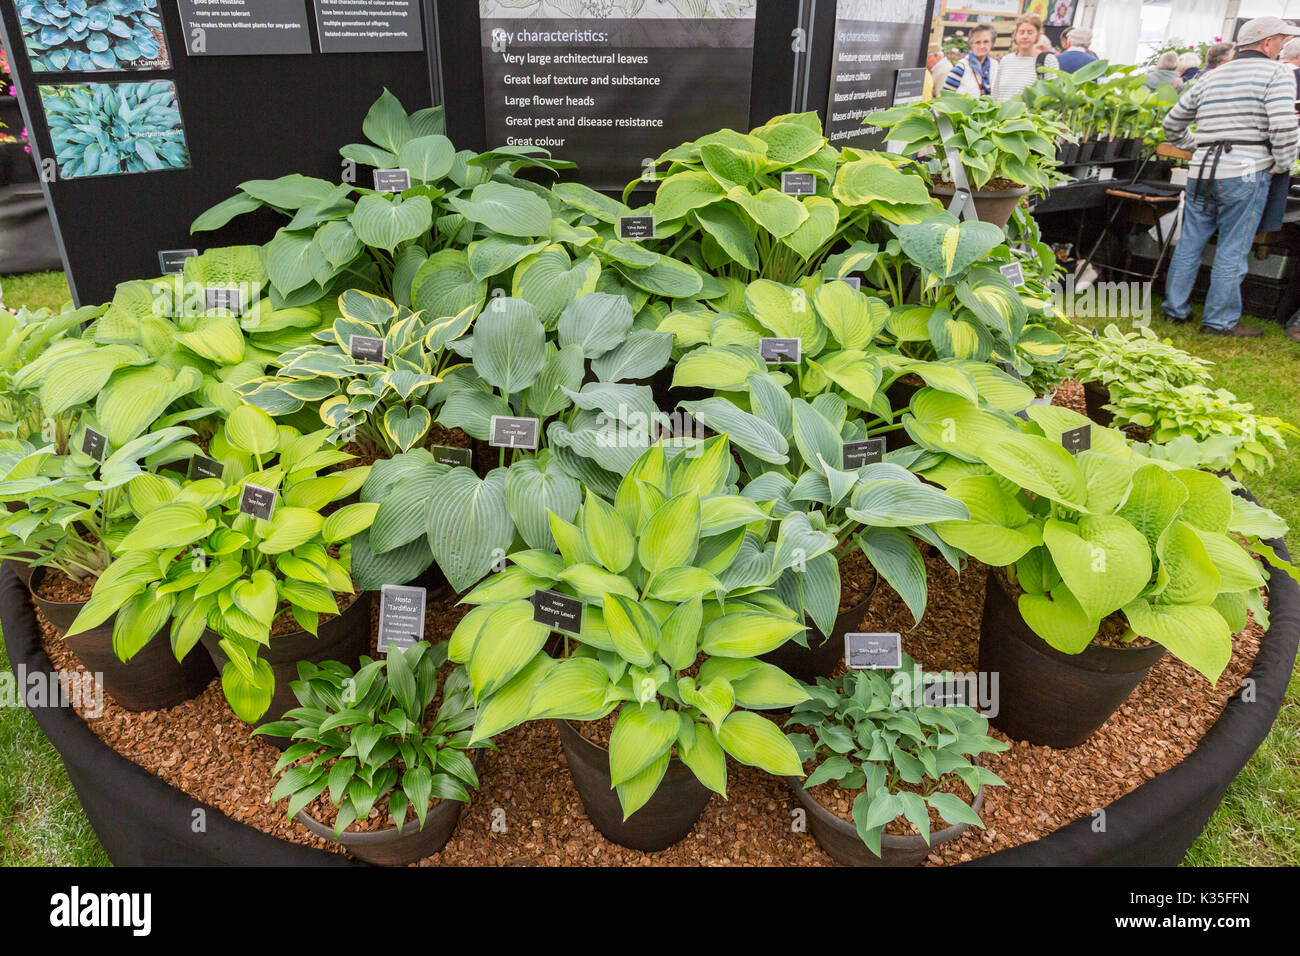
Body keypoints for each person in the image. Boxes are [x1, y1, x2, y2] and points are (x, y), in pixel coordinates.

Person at [1161, 17, 1300, 338]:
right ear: (1267, 43)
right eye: (1281, 40)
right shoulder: (1277, 72)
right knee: (1232, 248)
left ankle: (1175, 310)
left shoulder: (1214, 75)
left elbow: (1172, 123)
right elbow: (1283, 125)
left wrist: (1198, 144)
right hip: (1245, 172)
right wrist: (1282, 163)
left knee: (1190, 243)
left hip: (1201, 171)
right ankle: (1219, 322)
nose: (1283, 47)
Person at [993, 13, 1059, 102]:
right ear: (1015, 35)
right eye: (1021, 32)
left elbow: (1053, 98)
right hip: (1005, 114)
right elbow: (996, 95)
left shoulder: (1047, 60)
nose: (1025, 36)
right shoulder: (1006, 61)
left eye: (1030, 32)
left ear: (1038, 35)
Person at [943, 23, 998, 97]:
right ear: (971, 44)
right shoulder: (961, 67)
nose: (982, 46)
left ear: (992, 43)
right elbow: (945, 96)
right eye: (978, 42)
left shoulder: (995, 66)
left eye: (986, 42)